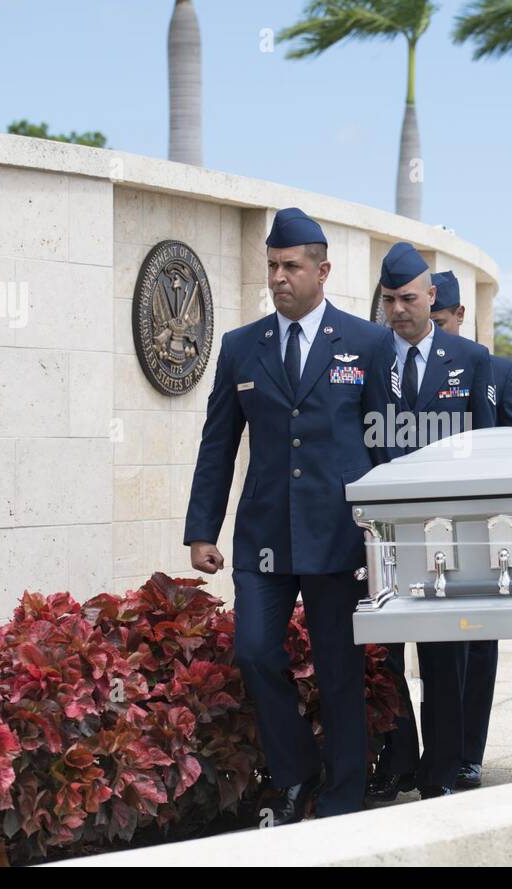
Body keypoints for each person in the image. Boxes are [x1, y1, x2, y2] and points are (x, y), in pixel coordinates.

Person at [183, 207, 399, 823]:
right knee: (253, 650)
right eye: (272, 266)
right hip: (265, 536)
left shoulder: (368, 343)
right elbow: (218, 443)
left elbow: (390, 446)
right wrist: (202, 529)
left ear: (322, 270)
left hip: (341, 537)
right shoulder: (240, 347)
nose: (279, 277)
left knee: (338, 670)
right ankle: (297, 771)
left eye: (291, 266)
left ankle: (343, 793)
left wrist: (391, 535)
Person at [366, 244, 495, 801]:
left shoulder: (472, 361)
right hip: (382, 536)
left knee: (445, 659)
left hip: (449, 534)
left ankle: (441, 770)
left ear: (432, 296)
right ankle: (398, 760)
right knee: (385, 656)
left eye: (409, 298)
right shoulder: (365, 356)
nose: (399, 310)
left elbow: (487, 449)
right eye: (390, 299)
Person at [430, 269, 512, 790]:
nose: (432, 330)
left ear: (459, 316)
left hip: (481, 528)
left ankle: (468, 752)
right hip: (421, 526)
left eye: (440, 320)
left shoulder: (497, 371)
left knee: (475, 644)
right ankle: (419, 756)